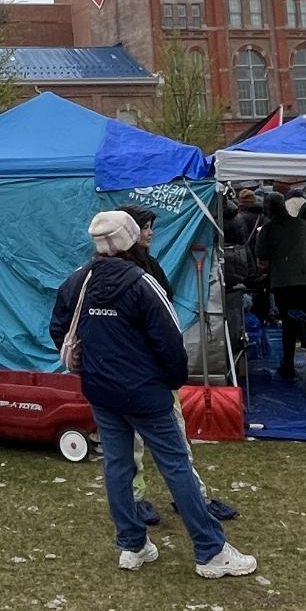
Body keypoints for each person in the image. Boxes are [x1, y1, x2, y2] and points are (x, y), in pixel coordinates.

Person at [51, 212, 256, 579]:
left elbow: (58, 328)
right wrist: (172, 381)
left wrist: (90, 365)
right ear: (131, 239)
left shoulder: (79, 280)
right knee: (177, 466)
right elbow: (170, 341)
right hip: (145, 393)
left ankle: (132, 545)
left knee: (117, 465)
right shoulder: (142, 283)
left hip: (101, 391)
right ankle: (210, 550)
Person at [257, 190, 306, 380]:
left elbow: (262, 254)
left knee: (288, 324)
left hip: (284, 282)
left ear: (268, 209)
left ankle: (288, 364)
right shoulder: (302, 225)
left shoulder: (269, 228)